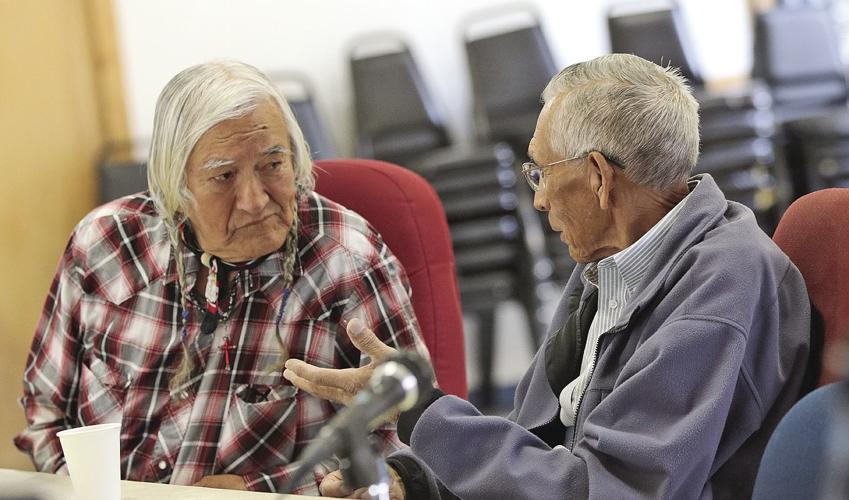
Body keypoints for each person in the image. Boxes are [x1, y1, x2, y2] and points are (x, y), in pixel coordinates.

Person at [283, 53, 812, 499]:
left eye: (541, 172)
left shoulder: (720, 289)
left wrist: (421, 412)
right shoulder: (610, 262)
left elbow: (607, 489)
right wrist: (421, 482)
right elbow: (536, 437)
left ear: (599, 176)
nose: (537, 199)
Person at [14, 60, 429, 496]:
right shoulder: (105, 245)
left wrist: (261, 490)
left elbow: (407, 445)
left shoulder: (347, 259)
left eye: (273, 164)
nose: (254, 200)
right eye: (224, 176)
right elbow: (47, 409)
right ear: (177, 186)